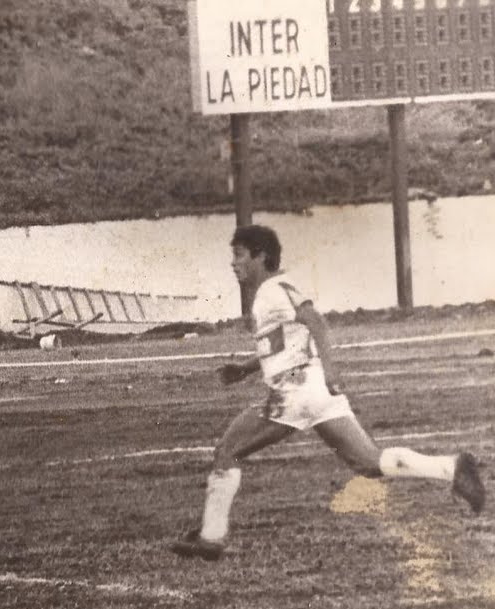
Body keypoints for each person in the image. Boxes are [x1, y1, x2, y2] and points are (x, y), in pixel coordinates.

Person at [172, 224, 485, 561]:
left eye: (239, 255)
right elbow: (285, 341)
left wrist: (333, 370)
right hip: (316, 390)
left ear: (260, 256)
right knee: (368, 462)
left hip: (296, 392)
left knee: (227, 451)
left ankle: (211, 536)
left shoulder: (273, 290)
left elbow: (316, 323)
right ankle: (451, 467)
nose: (233, 264)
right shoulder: (274, 291)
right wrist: (246, 369)